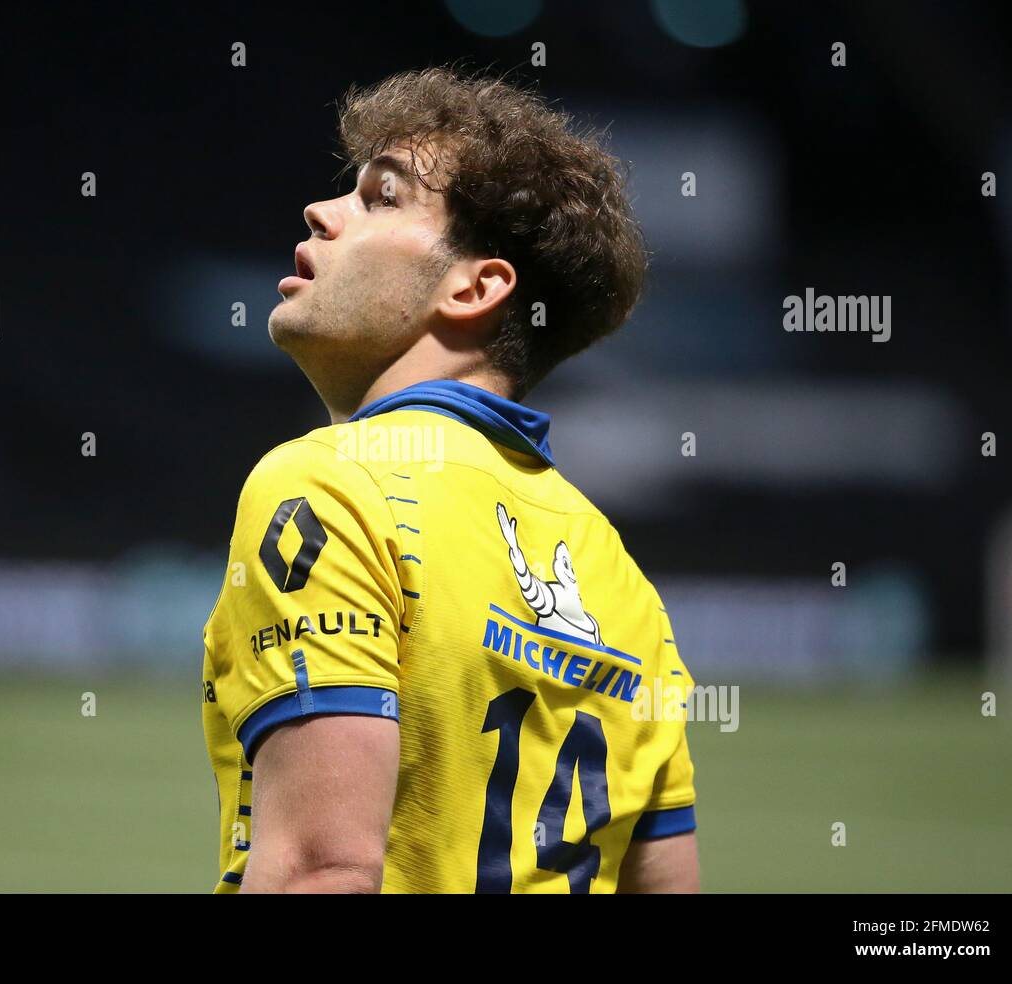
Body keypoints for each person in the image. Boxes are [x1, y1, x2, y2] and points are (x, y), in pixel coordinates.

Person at [201, 67, 698, 893]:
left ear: (474, 287)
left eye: (381, 198)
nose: (322, 213)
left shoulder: (328, 486)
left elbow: (319, 872)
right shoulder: (619, 575)